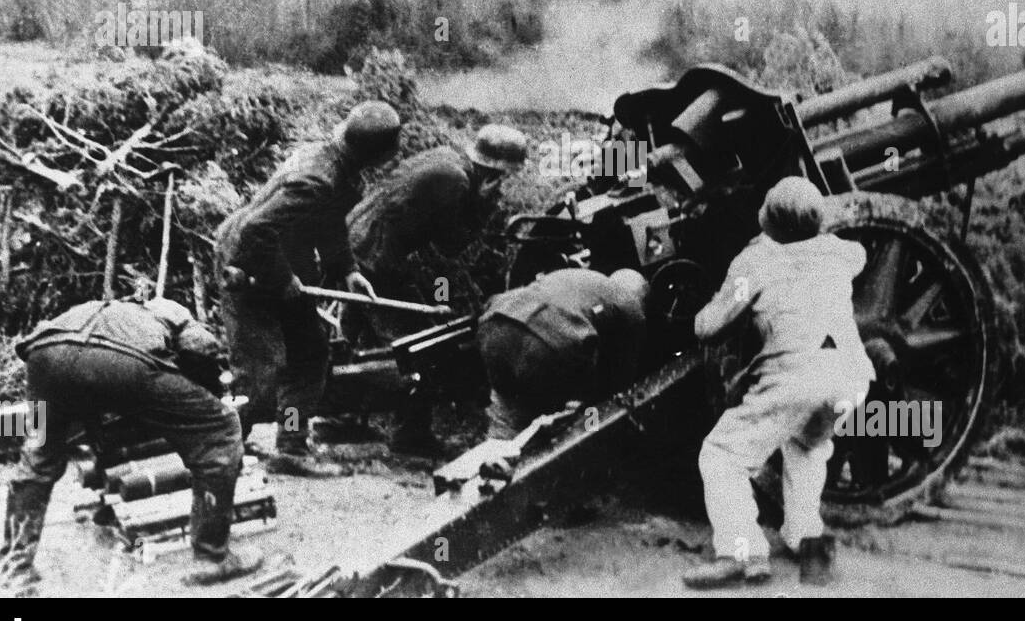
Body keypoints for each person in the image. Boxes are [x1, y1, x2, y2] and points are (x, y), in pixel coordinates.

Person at [683, 177, 875, 589]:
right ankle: (809, 544)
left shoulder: (754, 263)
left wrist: (706, 305)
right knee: (806, 446)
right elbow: (856, 251)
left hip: (794, 379)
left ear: (768, 222)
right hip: (849, 377)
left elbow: (707, 327)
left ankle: (741, 554)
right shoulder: (843, 254)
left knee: (721, 455)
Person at [1, 298, 260, 587]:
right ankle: (212, 558)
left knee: (38, 460)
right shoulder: (169, 310)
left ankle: (15, 567)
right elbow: (201, 348)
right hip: (123, 364)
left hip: (44, 358)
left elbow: (79, 359)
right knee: (220, 430)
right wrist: (209, 394)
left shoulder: (97, 308)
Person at [215, 101, 401, 476]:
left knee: (309, 355)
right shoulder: (318, 178)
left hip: (281, 257)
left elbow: (329, 223)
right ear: (379, 155)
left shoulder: (338, 168)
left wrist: (347, 270)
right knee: (258, 370)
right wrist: (284, 279)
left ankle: (291, 447)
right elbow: (256, 229)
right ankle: (220, 448)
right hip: (247, 262)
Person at [347, 124, 528, 452]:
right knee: (419, 347)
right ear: (494, 172)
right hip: (375, 257)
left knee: (353, 335)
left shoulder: (448, 160)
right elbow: (449, 246)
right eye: (503, 179)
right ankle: (409, 435)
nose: (503, 187)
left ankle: (339, 418)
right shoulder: (456, 181)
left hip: (358, 244)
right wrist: (483, 207)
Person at [477, 268, 649, 439]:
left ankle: (500, 447)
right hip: (546, 342)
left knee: (509, 409)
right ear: (642, 297)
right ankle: (587, 444)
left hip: (496, 322)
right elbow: (620, 383)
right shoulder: (629, 304)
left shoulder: (585, 280)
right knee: (579, 410)